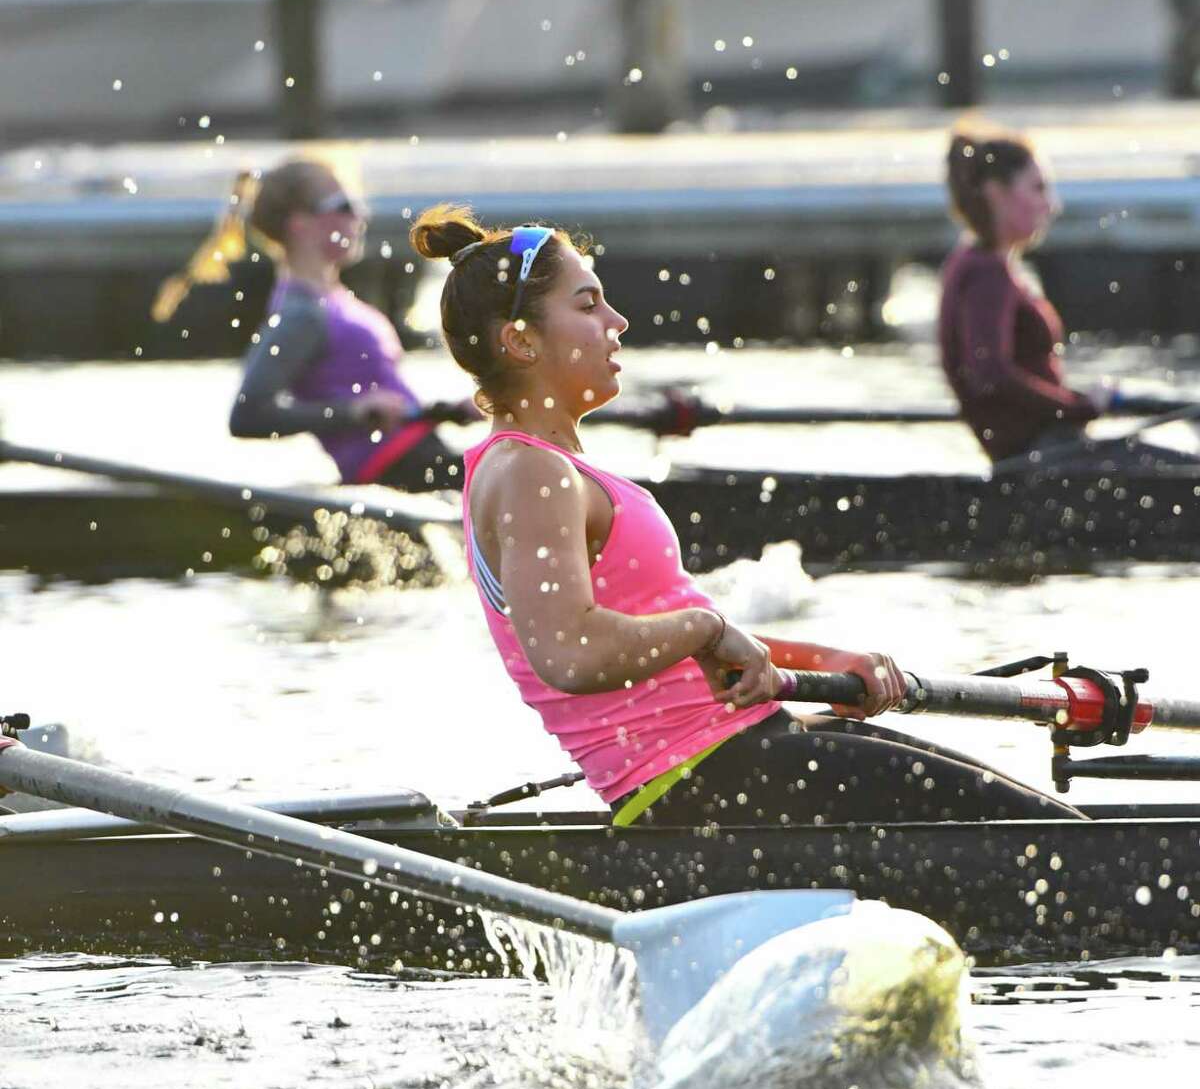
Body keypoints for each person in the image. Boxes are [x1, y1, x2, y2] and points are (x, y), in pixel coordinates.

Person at [411, 202, 1081, 825]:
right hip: (697, 782)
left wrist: (828, 663)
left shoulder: (540, 469)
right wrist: (705, 628)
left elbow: (690, 647)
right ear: (521, 342)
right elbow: (569, 652)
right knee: (1044, 839)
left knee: (1036, 817)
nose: (618, 322)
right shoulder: (530, 473)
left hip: (730, 758)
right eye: (589, 305)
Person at [939, 127, 1193, 471]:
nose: (1052, 205)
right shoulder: (986, 272)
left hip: (1043, 454)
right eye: (1038, 188)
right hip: (1039, 460)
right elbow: (990, 374)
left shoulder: (972, 262)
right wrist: (1078, 408)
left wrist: (1075, 401)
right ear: (996, 193)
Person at [218, 158, 468, 489]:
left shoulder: (332, 300)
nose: (360, 215)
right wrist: (352, 413)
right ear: (300, 223)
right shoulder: (300, 315)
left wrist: (448, 411)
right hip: (393, 471)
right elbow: (247, 416)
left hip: (418, 458)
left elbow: (386, 405)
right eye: (345, 205)